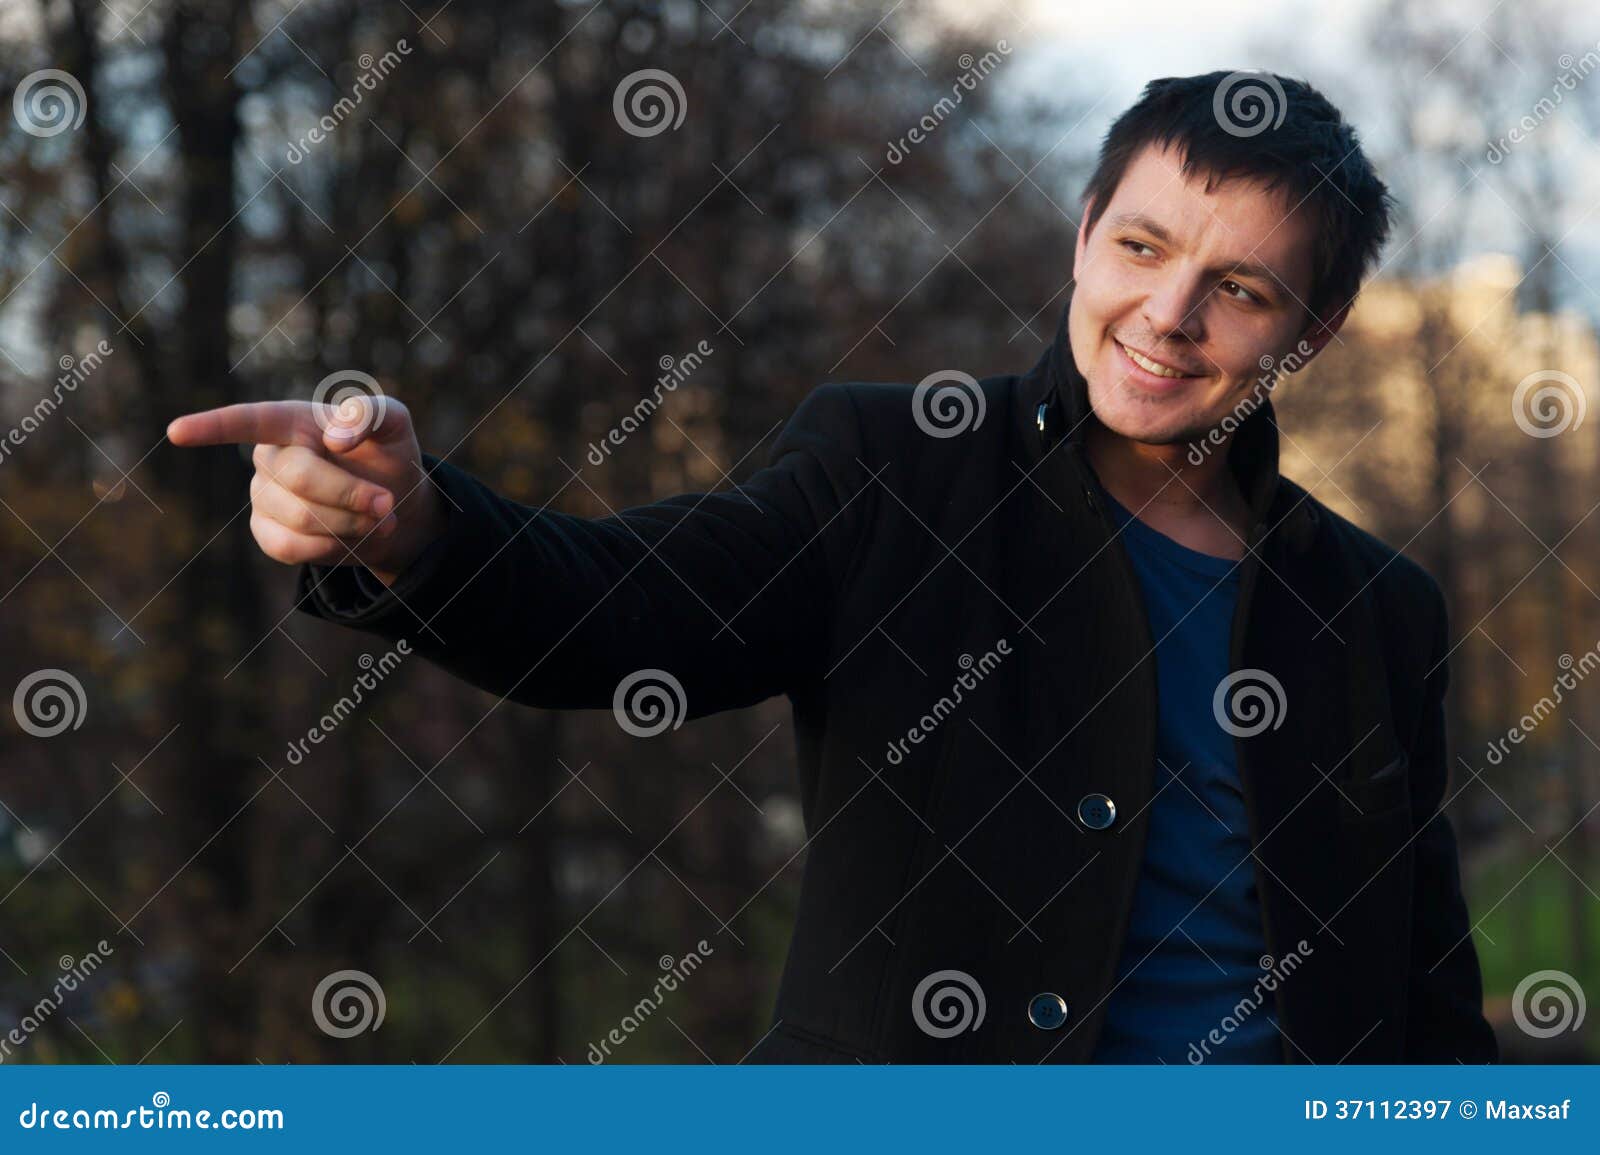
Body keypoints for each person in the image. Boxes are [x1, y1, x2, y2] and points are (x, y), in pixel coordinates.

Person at [167, 71, 1498, 1064]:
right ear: (1086, 230)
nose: (1167, 315)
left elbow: (1425, 971)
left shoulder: (1377, 607)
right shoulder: (895, 471)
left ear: (1313, 331)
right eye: (1141, 247)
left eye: (1241, 290)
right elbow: (620, 610)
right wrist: (414, 530)